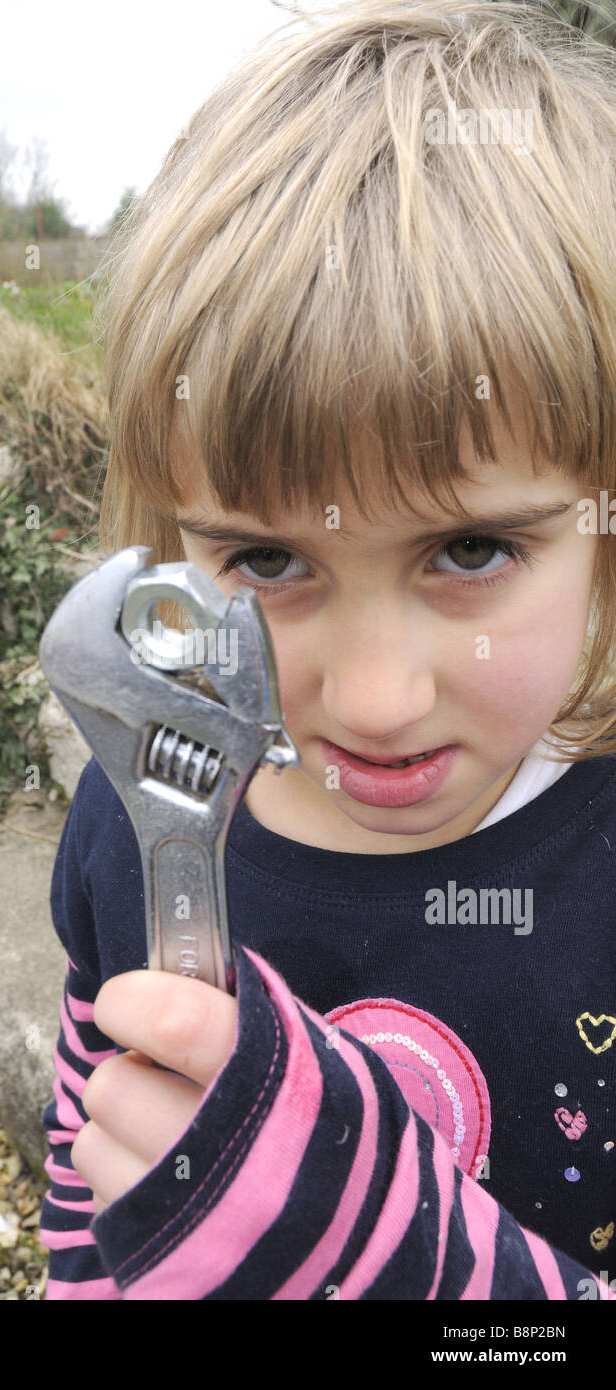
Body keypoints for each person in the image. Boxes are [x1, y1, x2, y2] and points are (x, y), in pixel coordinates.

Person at [39, 0, 616, 1299]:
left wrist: (375, 1244)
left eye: (469, 551)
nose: (372, 697)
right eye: (270, 559)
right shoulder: (131, 821)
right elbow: (92, 1168)